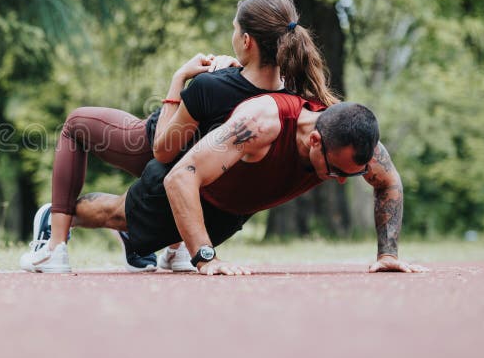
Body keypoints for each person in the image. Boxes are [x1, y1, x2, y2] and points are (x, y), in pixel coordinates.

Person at [21, 0, 340, 273]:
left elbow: (163, 148)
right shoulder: (297, 98)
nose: (233, 36)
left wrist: (180, 78)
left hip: (163, 147)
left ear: (247, 41)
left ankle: (54, 248)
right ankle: (174, 251)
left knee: (75, 124)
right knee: (136, 200)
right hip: (211, 186)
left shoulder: (214, 86)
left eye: (234, 29)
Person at [24, 93, 428, 275]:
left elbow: (389, 183)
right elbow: (183, 176)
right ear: (316, 140)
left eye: (350, 175)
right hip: (192, 187)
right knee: (118, 215)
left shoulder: (356, 145)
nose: (340, 182)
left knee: (138, 230)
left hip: (233, 209)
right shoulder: (261, 123)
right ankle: (57, 219)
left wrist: (388, 252)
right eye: (335, 172)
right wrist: (205, 256)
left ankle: (140, 241)